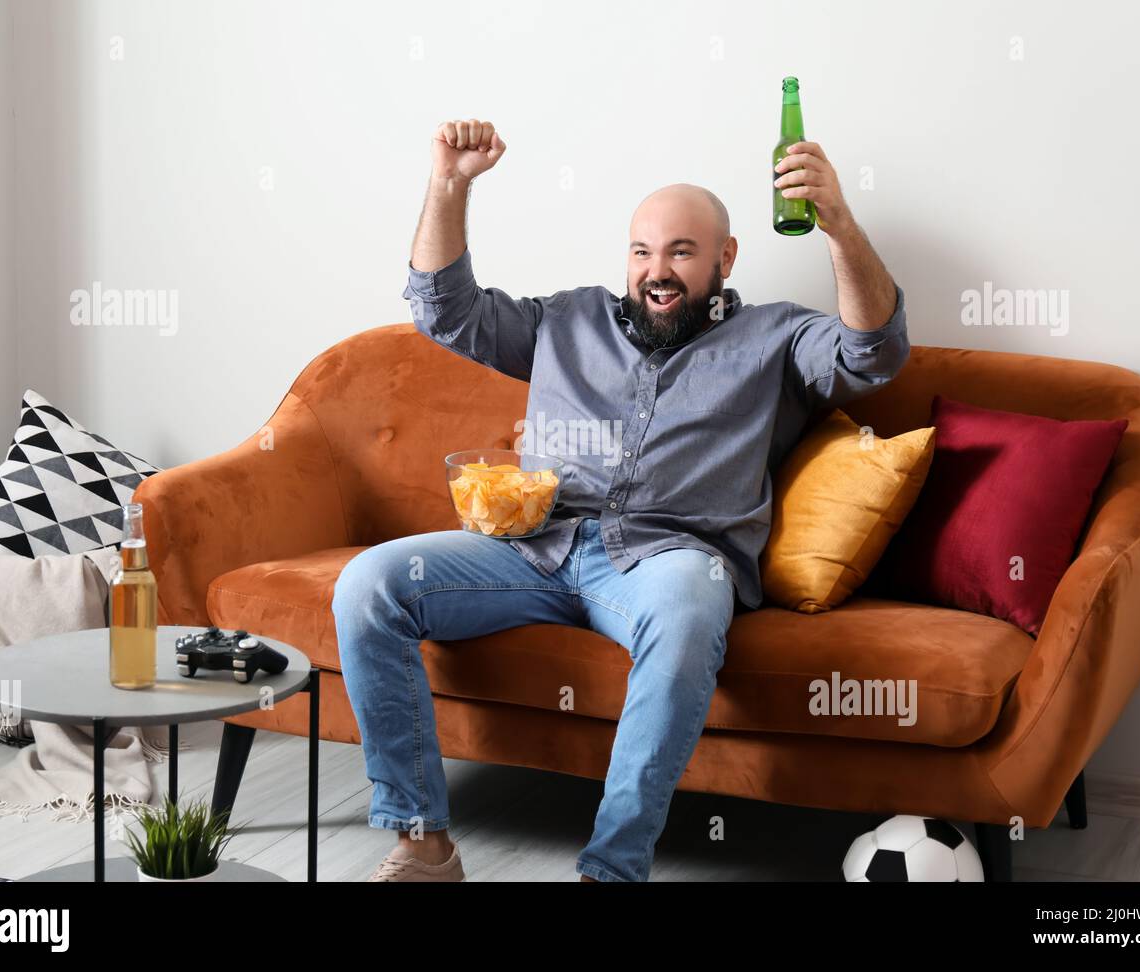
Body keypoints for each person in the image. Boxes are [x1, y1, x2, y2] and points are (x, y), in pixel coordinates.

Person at [333, 117, 910, 882]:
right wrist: (450, 184)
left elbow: (874, 355)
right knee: (369, 585)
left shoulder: (776, 339)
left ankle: (612, 870)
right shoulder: (566, 322)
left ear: (725, 258)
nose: (656, 271)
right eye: (642, 251)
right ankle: (423, 841)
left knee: (687, 608)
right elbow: (443, 308)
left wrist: (837, 224)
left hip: (670, 560)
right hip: (534, 547)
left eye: (679, 251)